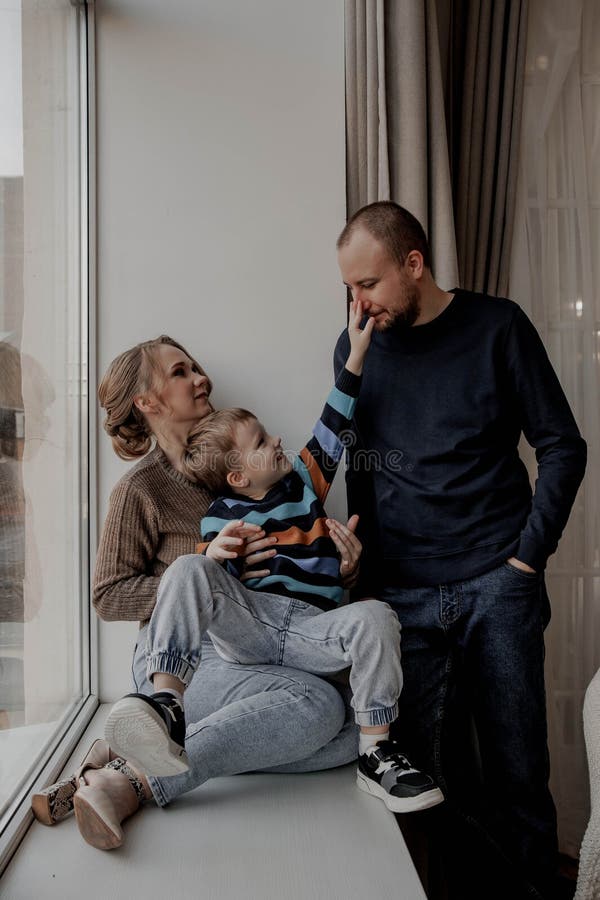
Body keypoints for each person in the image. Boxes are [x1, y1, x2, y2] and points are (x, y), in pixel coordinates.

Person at [102, 300, 443, 821]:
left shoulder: (259, 469)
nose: (201, 377)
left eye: (194, 365)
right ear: (147, 401)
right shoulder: (140, 489)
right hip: (197, 656)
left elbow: (327, 442)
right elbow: (108, 595)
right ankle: (150, 741)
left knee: (345, 724)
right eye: (181, 371)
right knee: (318, 708)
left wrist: (340, 567)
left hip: (292, 636)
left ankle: (138, 759)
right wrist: (206, 559)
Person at [333, 201, 587, 900]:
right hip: (403, 599)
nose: (358, 303)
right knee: (425, 784)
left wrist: (526, 561)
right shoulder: (357, 343)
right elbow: (363, 462)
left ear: (414, 264)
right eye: (348, 288)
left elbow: (563, 446)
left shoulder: (498, 326)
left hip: (496, 585)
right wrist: (363, 572)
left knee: (517, 777)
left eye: (369, 284)